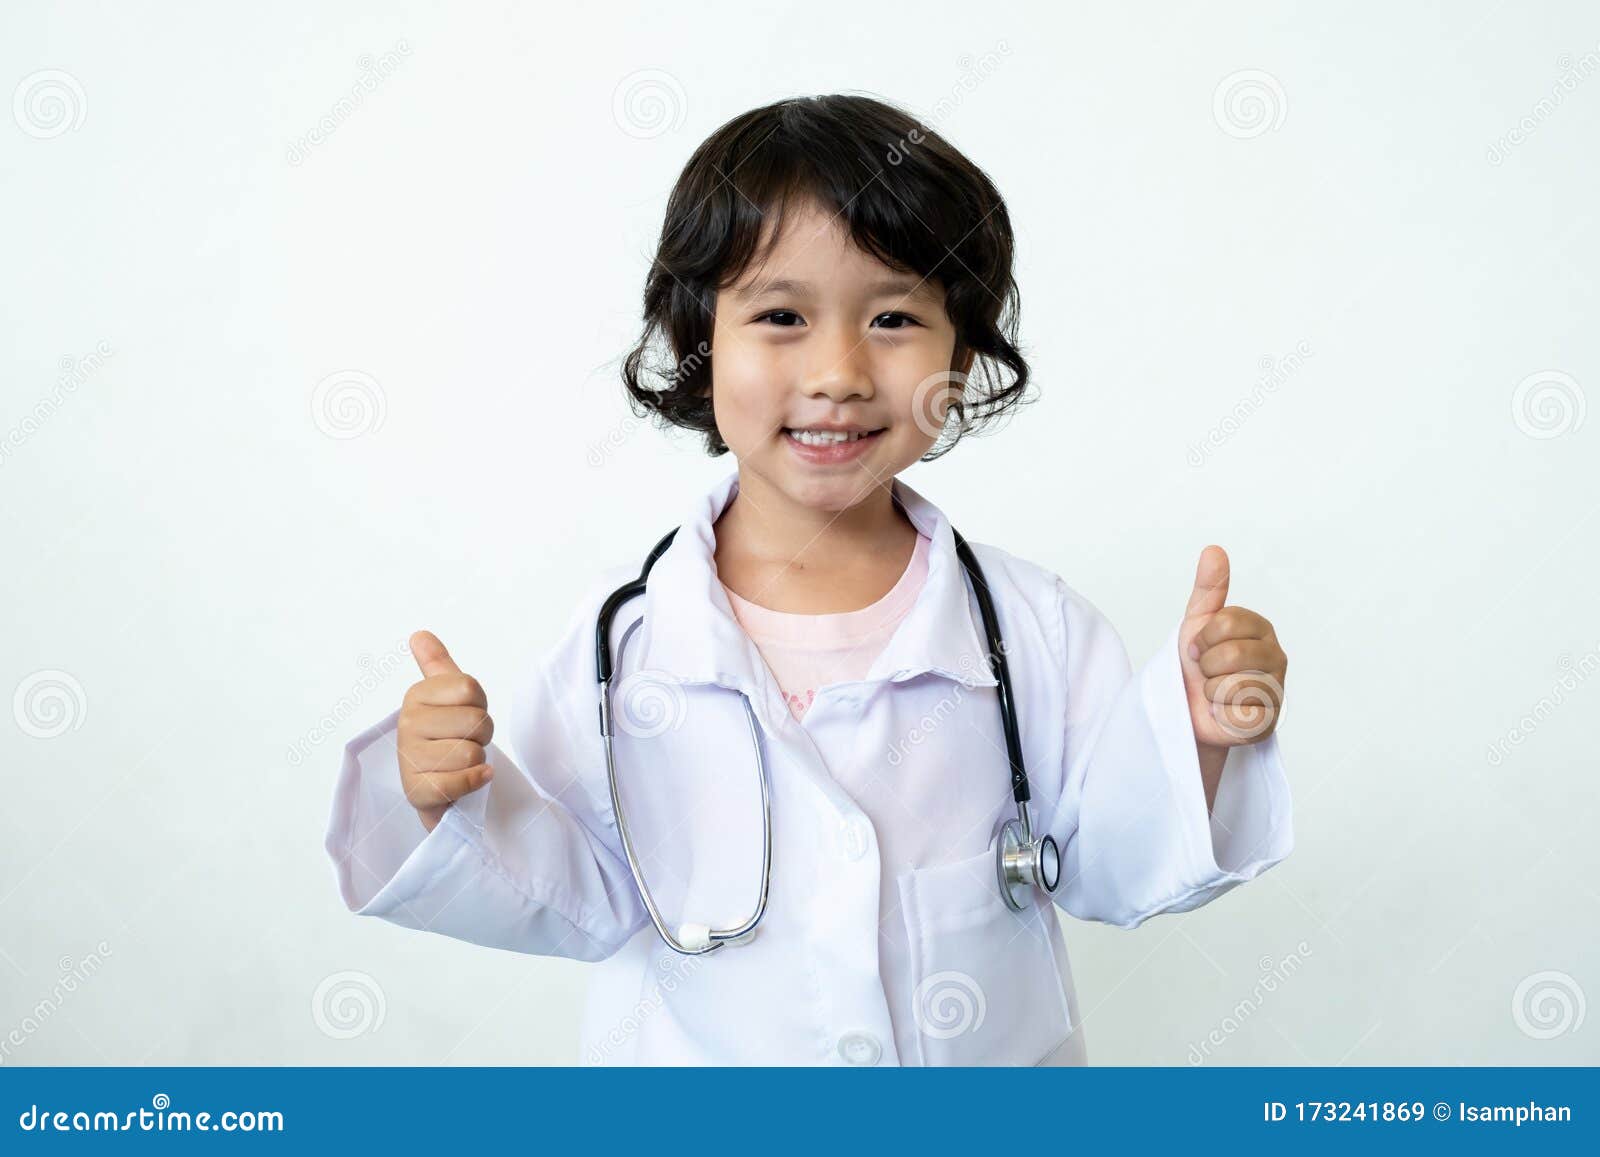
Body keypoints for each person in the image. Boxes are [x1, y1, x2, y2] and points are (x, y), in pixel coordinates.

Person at [322, 93, 1293, 1066]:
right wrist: (440, 792)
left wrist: (1198, 736)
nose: (837, 370)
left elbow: (1110, 866)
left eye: (893, 317)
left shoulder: (1032, 627)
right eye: (780, 314)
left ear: (960, 356)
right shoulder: (621, 642)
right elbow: (569, 894)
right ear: (701, 345)